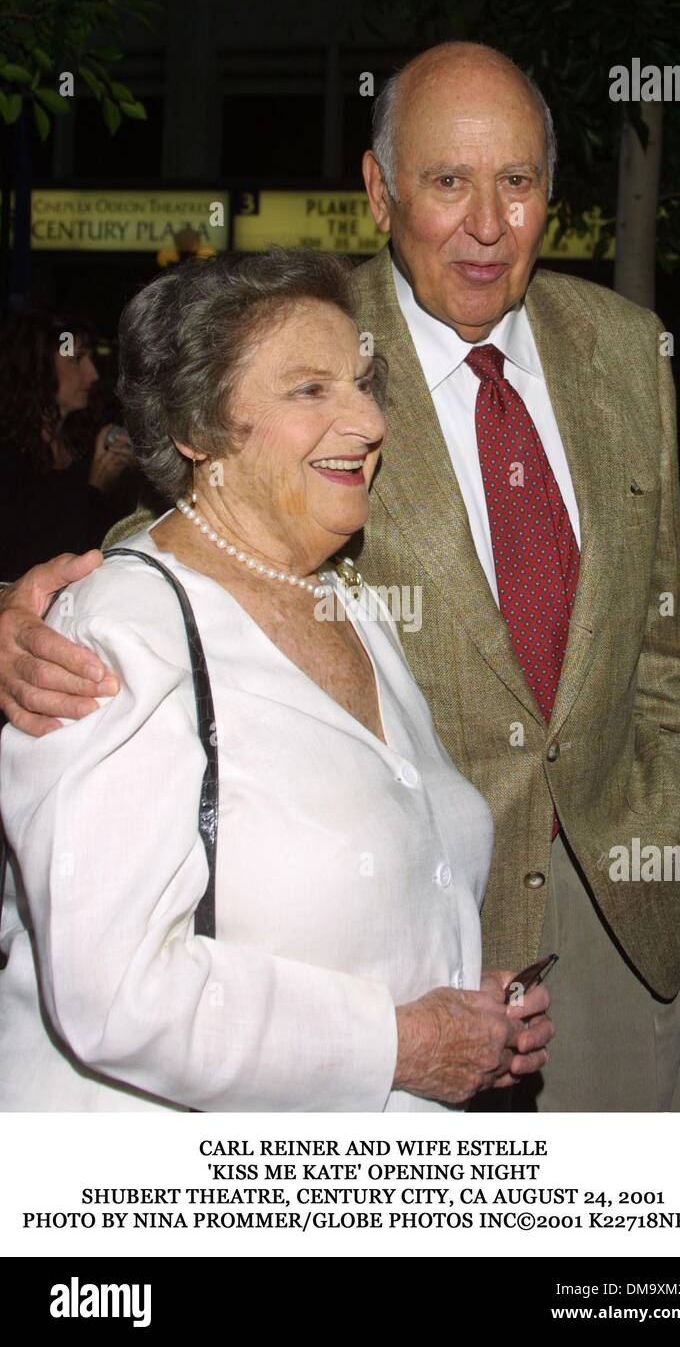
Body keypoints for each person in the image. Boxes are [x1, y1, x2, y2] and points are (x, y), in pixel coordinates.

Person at [0, 41, 680, 1111]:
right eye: (447, 182)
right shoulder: (306, 335)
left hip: (621, 929)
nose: (488, 223)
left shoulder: (626, 349)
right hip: (406, 957)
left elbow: (661, 648)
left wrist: (675, 821)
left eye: (517, 182)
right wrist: (42, 619)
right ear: (379, 192)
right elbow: (202, 520)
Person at [0, 250, 553, 1113]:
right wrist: (402, 1044)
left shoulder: (349, 605)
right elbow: (112, 994)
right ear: (199, 427)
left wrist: (465, 1005)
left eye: (364, 384)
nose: (367, 419)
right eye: (310, 390)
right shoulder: (117, 634)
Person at [0, 308, 136, 582]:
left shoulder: (81, 443)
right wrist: (95, 490)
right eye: (76, 360)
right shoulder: (9, 461)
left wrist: (126, 479)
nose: (93, 374)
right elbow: (38, 559)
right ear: (38, 367)